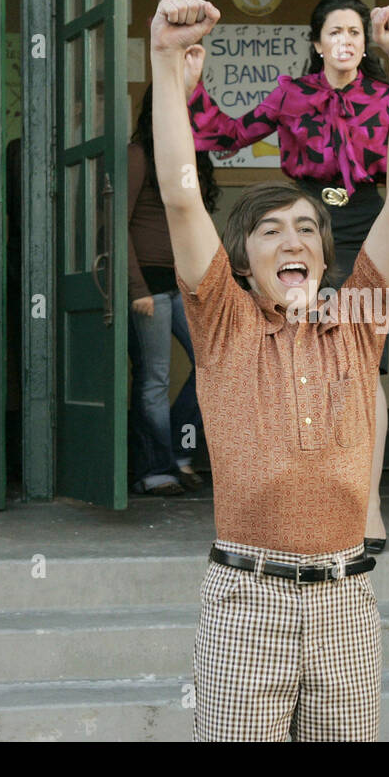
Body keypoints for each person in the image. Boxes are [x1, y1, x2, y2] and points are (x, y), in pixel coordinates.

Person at [151, 0, 389, 741]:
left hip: (346, 605)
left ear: (328, 254)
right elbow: (182, 199)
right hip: (247, 603)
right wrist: (165, 61)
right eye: (269, 231)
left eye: (306, 227)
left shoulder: (358, 321)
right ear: (241, 262)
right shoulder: (223, 322)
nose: (291, 240)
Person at [186, 0, 389, 553]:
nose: (345, 41)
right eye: (335, 32)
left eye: (355, 32)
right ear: (317, 42)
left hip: (365, 222)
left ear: (363, 43)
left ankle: (366, 500)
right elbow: (225, 136)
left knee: (363, 368)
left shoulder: (385, 96)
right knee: (288, 352)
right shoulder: (290, 94)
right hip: (305, 223)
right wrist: (189, 88)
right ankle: (288, 491)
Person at [127, 84, 218, 495]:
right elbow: (114, 225)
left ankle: (178, 453)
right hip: (149, 285)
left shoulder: (195, 161)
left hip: (189, 284)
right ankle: (155, 470)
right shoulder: (138, 155)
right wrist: (136, 287)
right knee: (154, 379)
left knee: (216, 363)